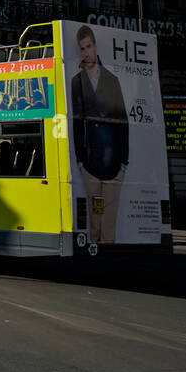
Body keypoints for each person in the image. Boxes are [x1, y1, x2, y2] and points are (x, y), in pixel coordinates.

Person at [69, 25, 128, 245]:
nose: (86, 52)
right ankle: (94, 253)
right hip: (90, 166)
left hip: (113, 165)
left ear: (95, 46)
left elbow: (123, 123)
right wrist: (80, 161)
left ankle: (107, 255)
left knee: (109, 220)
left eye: (88, 47)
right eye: (82, 48)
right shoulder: (77, 81)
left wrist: (124, 163)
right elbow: (75, 123)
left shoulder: (112, 80)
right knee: (95, 218)